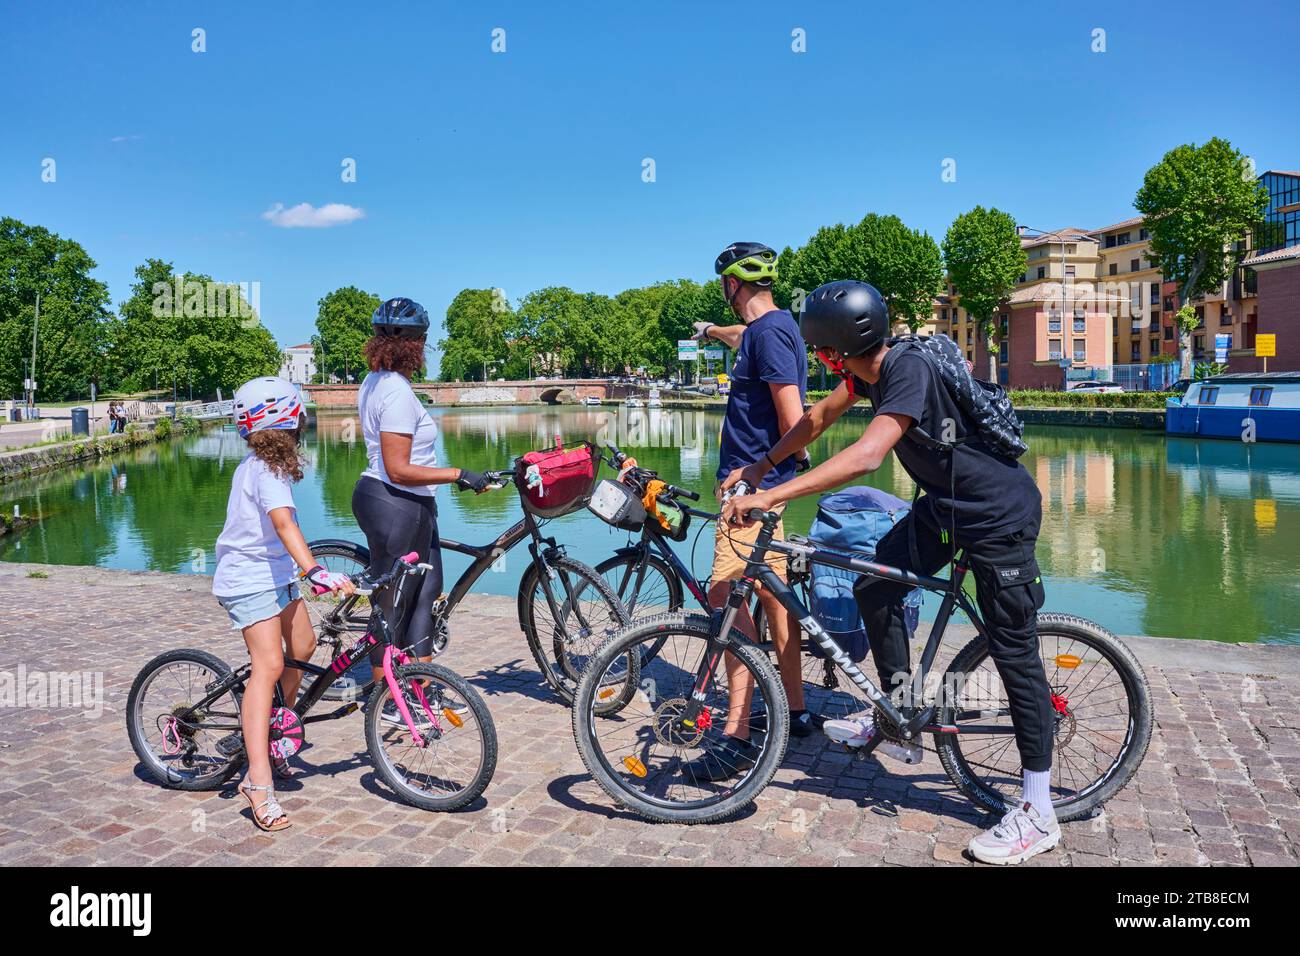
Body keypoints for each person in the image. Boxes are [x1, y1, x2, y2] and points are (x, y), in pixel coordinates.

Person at [721, 279, 1057, 865]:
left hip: (996, 515)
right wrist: (762, 466)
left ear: (828, 354)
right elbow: (819, 419)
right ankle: (896, 714)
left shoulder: (905, 371)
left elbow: (870, 454)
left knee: (1013, 652)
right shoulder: (869, 369)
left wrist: (774, 497)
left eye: (820, 356)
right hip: (944, 509)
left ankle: (1037, 810)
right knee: (875, 583)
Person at [681, 242, 814, 783]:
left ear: (730, 285)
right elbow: (746, 338)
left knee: (725, 595)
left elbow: (794, 420)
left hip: (751, 494)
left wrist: (754, 472)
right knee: (773, 596)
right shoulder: (771, 329)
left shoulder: (769, 335)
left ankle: (737, 734)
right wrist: (712, 330)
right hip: (767, 489)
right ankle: (796, 708)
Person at [213, 376, 355, 831]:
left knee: (305, 644)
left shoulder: (262, 467)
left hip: (274, 575)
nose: (303, 427)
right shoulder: (265, 471)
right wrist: (315, 571)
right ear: (286, 423)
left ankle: (274, 727)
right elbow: (283, 525)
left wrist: (302, 572)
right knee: (268, 664)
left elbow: (284, 531)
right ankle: (257, 782)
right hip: (246, 579)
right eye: (299, 420)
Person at [351, 297, 492, 704]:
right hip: (395, 501)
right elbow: (397, 467)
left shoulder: (376, 379)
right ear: (417, 344)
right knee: (393, 607)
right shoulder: (394, 391)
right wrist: (458, 474)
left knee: (425, 596)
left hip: (405, 503)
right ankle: (385, 701)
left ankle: (419, 691)